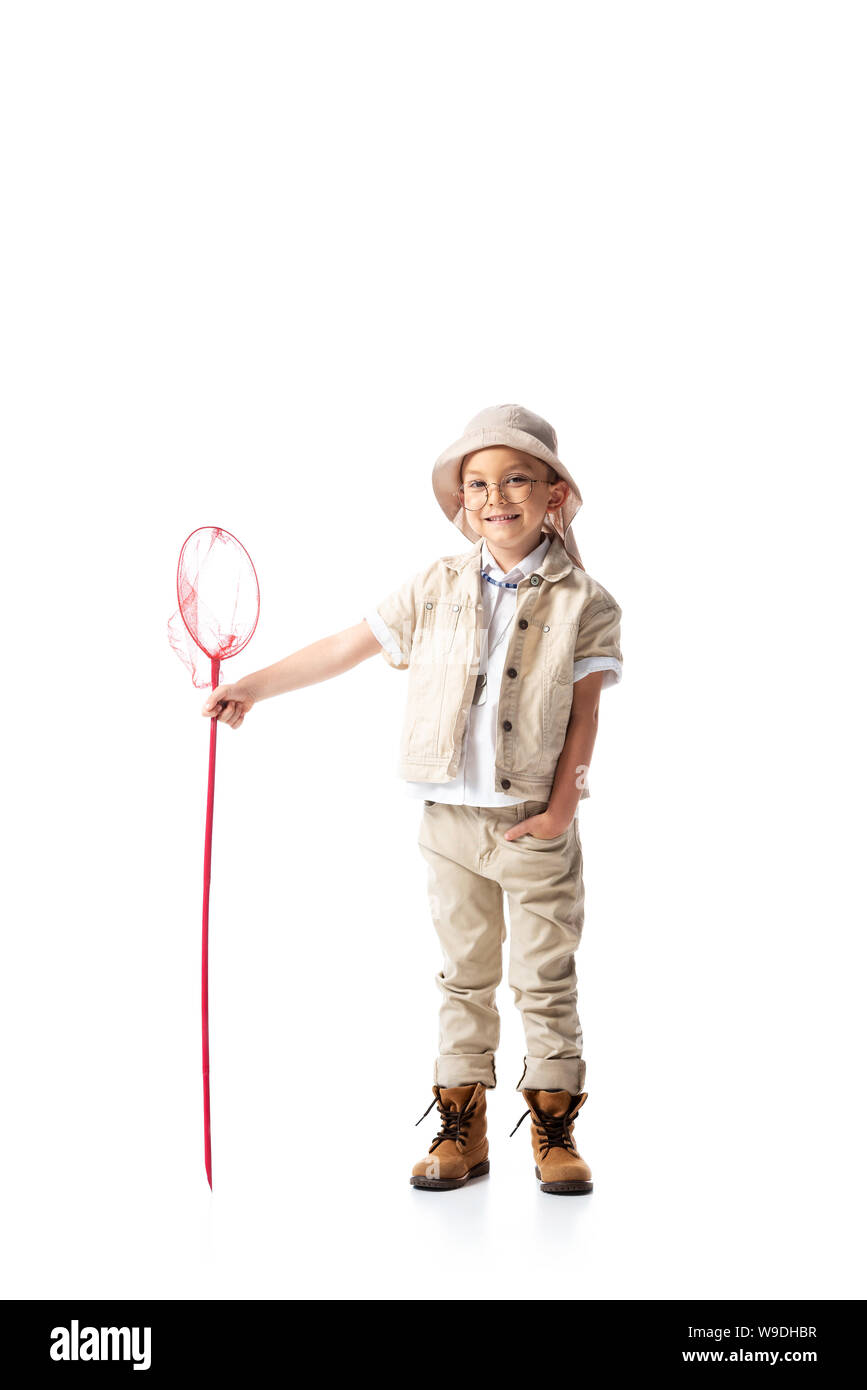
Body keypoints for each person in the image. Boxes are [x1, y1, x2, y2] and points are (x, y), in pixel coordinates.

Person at [202, 404, 623, 1195]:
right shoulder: (433, 587)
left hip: (531, 825)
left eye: (516, 480)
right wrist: (251, 687)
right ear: (462, 501)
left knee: (544, 976)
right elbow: (344, 646)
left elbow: (587, 713)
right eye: (478, 485)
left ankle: (553, 1132)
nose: (496, 497)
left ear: (553, 494)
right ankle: (460, 1127)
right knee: (463, 973)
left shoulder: (586, 601)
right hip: (448, 822)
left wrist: (561, 812)